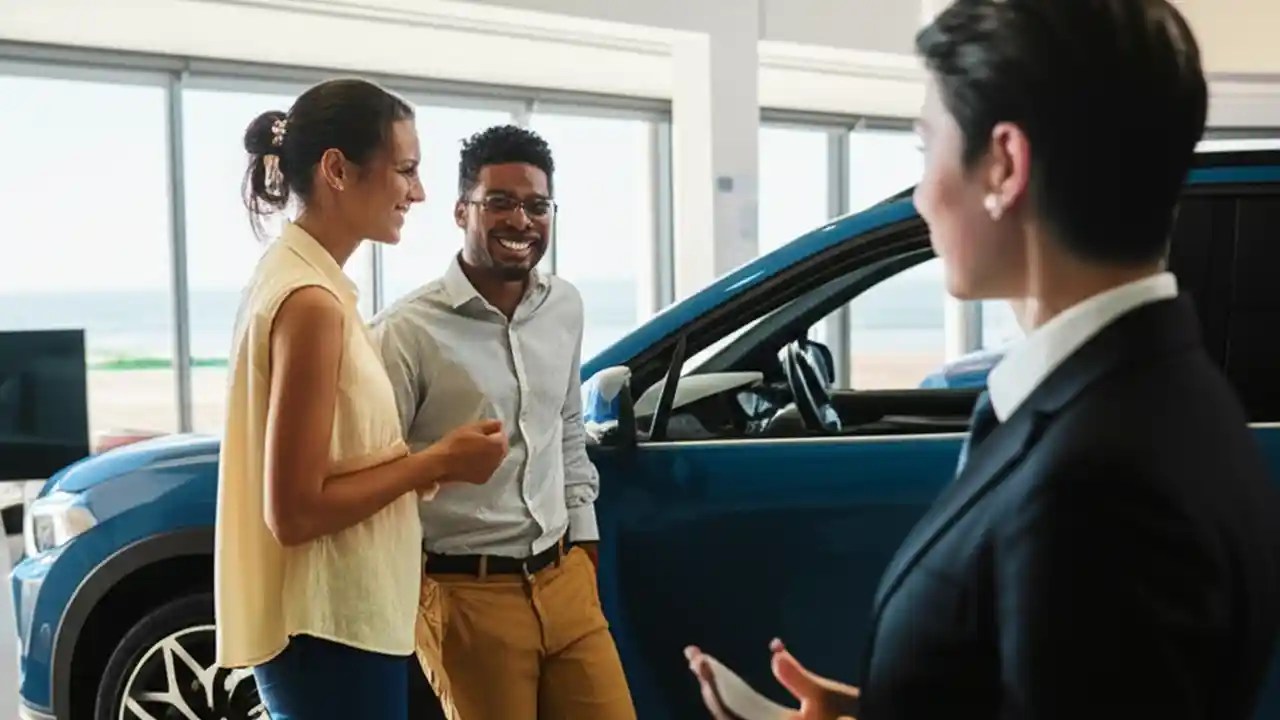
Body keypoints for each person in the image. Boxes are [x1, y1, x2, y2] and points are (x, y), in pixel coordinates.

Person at [687, 1, 1280, 718]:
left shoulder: (1100, 485)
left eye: (925, 145)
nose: (922, 194)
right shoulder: (1165, 400)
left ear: (1004, 163)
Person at [213, 78, 508, 720]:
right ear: (338, 170)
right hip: (330, 629)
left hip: (352, 621)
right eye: (405, 170)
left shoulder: (308, 284)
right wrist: (438, 463)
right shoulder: (310, 304)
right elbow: (292, 510)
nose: (420, 192)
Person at [370, 124, 636, 720]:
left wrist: (584, 547)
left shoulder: (564, 306)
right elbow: (375, 473)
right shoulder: (406, 332)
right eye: (500, 203)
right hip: (467, 597)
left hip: (564, 580)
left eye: (537, 206)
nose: (521, 221)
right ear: (462, 210)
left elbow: (567, 425)